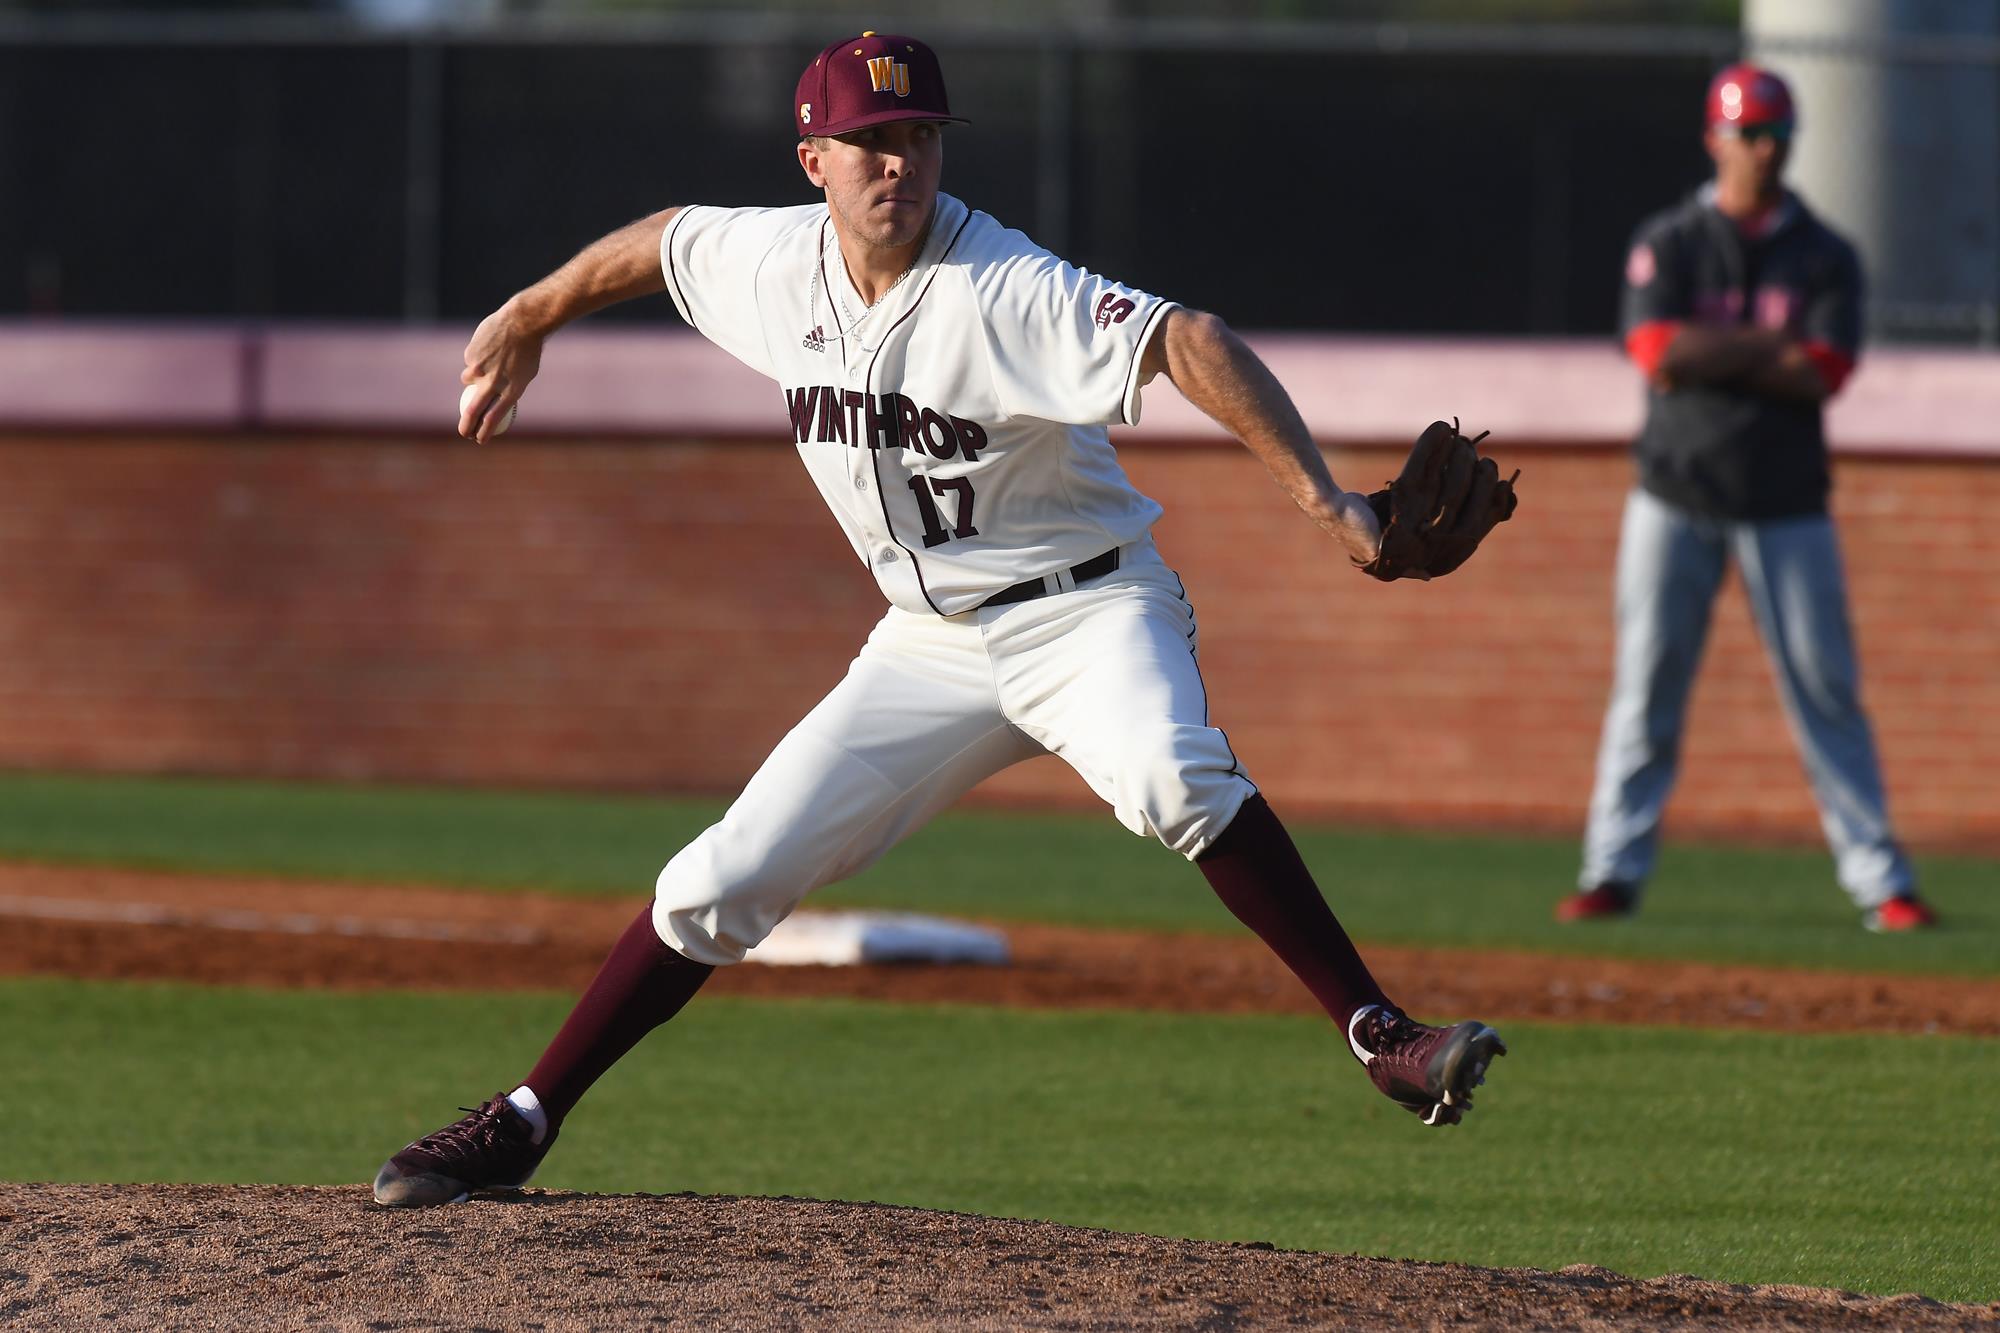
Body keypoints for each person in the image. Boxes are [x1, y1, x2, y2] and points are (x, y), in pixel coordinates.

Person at [372, 31, 1506, 1209]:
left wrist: (1326, 503)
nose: (896, 166)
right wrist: (534, 311)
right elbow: (663, 242)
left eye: (916, 139)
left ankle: (1379, 1033)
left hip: (1086, 609)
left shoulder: (1002, 286)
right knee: (720, 878)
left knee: (1174, 778)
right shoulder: (768, 263)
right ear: (813, 159)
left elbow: (1189, 339)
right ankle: (521, 1121)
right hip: (926, 641)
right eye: (868, 143)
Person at [1557, 63, 1934, 934]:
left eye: (1778, 135)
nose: (1766, 151)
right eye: (1751, 133)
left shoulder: (1824, 251)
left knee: (1826, 688)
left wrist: (1716, 349)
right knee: (1647, 686)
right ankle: (1612, 870)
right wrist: (1770, 349)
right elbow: (1658, 351)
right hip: (1674, 492)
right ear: (1716, 138)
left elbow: (1825, 370)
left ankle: (1882, 879)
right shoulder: (1675, 237)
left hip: (1787, 499)